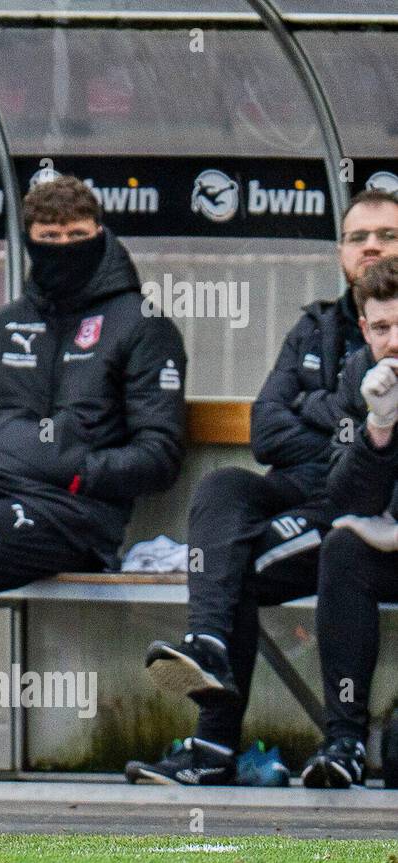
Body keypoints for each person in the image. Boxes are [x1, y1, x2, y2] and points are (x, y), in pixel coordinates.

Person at [0, 175, 187, 754]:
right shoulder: (1, 328)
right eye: (50, 237)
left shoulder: (143, 326)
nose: (64, 247)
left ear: (100, 235)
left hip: (74, 513)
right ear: (30, 241)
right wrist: (9, 453)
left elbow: (159, 456)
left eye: (76, 235)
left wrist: (70, 470)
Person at [127, 189, 398, 786]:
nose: (372, 247)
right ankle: (206, 645)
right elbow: (267, 431)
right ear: (341, 252)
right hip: (306, 494)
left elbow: (346, 466)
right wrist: (344, 425)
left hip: (350, 518)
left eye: (387, 236)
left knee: (243, 569)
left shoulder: (381, 339)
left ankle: (219, 747)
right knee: (224, 488)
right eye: (358, 237)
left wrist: (320, 411)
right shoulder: (318, 326)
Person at [300, 254, 398, 788]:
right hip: (385, 545)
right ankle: (344, 741)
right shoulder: (362, 372)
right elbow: (342, 496)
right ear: (364, 328)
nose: (394, 341)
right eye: (382, 327)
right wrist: (379, 428)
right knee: (343, 550)